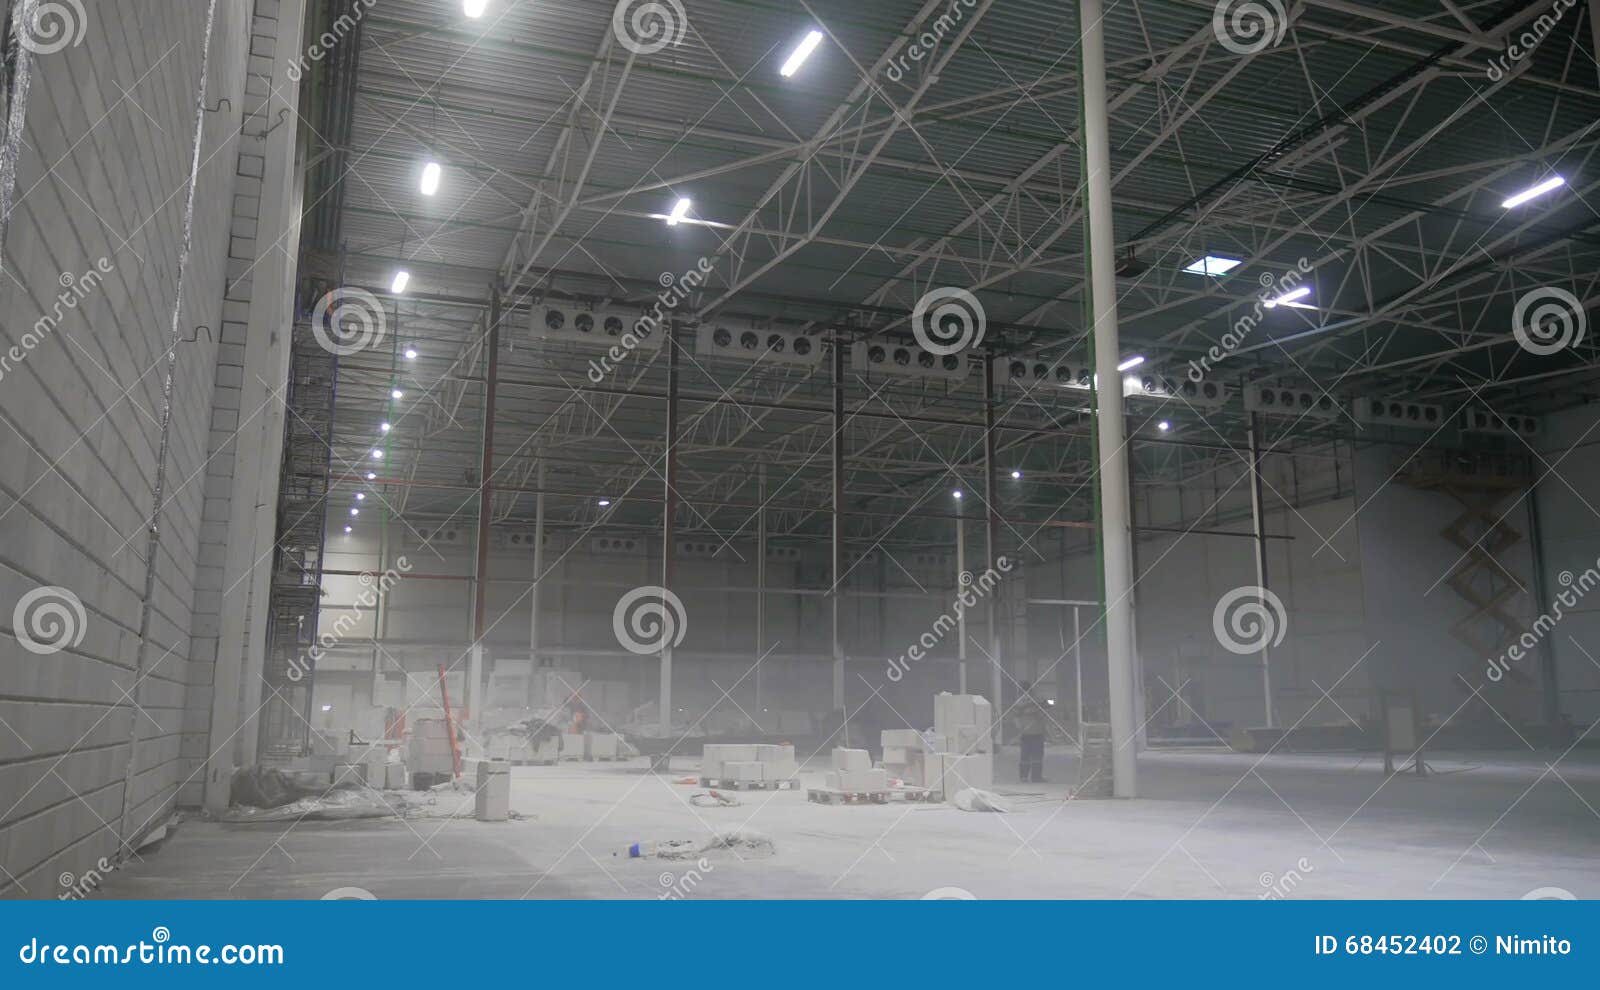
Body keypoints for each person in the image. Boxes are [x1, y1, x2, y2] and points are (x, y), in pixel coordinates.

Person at [1013, 680, 1050, 783]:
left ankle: (1023, 777)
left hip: (1025, 733)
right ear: (1031, 689)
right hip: (1037, 732)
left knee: (1025, 756)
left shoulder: (1019, 702)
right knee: (1037, 756)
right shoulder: (1037, 700)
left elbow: (1016, 717)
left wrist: (1020, 728)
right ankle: (1036, 777)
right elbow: (1050, 705)